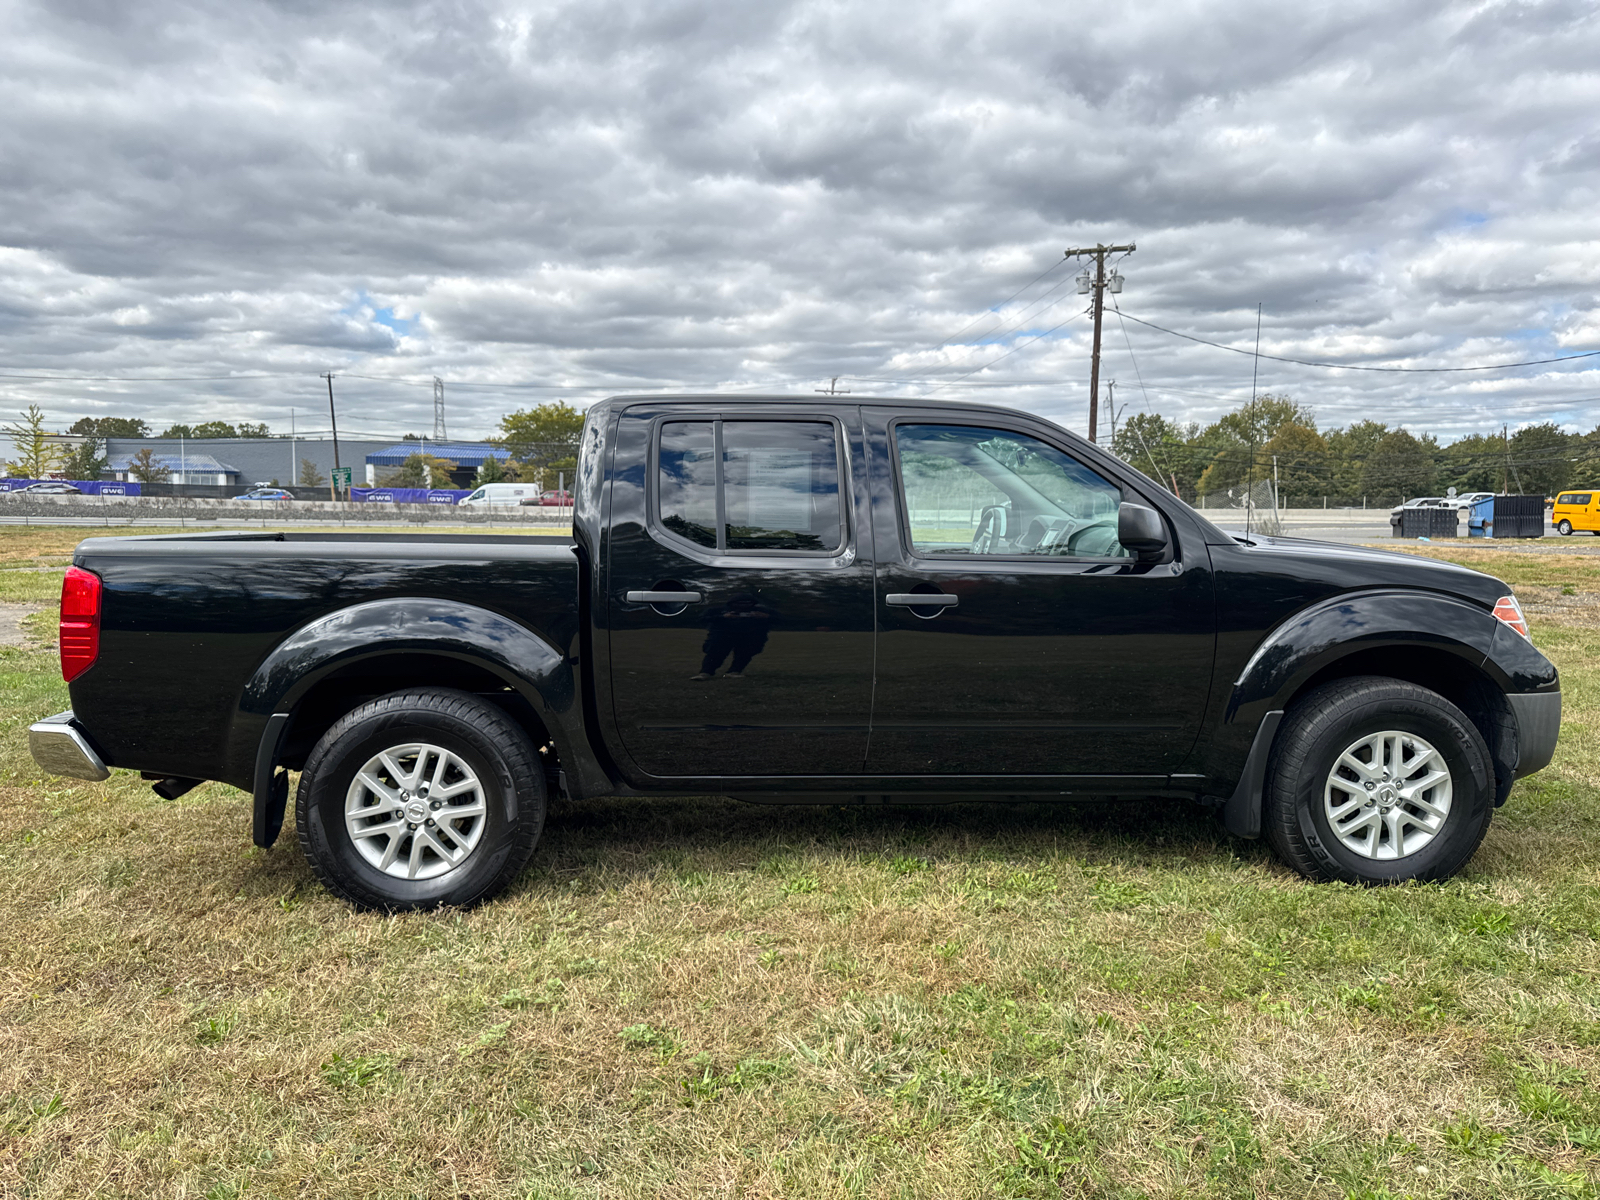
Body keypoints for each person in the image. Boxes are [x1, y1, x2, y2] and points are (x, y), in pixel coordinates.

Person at [690, 593, 772, 680]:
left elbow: (784, 620)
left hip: (750, 636)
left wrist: (767, 617)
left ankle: (734, 671)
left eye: (747, 603)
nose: (743, 606)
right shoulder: (717, 610)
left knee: (744, 654)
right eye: (739, 603)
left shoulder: (762, 611)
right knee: (714, 654)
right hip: (722, 635)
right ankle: (705, 672)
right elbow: (701, 619)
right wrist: (723, 617)